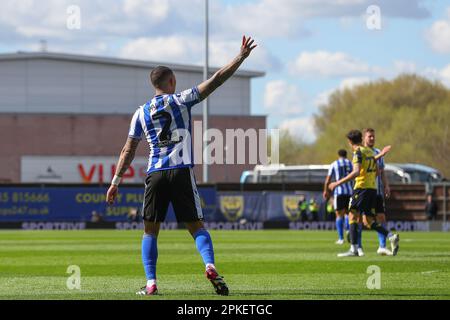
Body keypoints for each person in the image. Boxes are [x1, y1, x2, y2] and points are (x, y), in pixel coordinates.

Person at [106, 36, 257, 296]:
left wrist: (115, 182)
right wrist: (240, 57)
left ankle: (151, 283)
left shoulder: (140, 112)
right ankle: (209, 265)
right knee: (196, 226)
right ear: (172, 82)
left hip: (155, 174)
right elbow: (217, 78)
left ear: (153, 85)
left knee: (150, 232)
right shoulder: (182, 99)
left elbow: (127, 149)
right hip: (181, 171)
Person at [329, 130, 399, 257]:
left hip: (361, 188)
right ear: (361, 139)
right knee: (368, 221)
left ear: (350, 142)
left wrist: (337, 183)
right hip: (372, 189)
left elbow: (356, 172)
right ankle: (391, 236)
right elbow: (377, 169)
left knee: (352, 216)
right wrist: (381, 154)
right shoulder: (370, 151)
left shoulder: (358, 152)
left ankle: (353, 249)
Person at [363, 128, 393, 256]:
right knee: (363, 220)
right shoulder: (361, 152)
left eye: (373, 136)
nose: (372, 139)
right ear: (364, 137)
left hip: (378, 191)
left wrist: (386, 185)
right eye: (369, 136)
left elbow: (382, 171)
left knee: (381, 217)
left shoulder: (377, 152)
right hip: (364, 191)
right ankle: (356, 247)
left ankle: (382, 246)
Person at [323, 149, 353, 245]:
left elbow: (328, 180)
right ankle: (348, 230)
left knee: (339, 215)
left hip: (339, 192)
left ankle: (341, 238)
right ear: (346, 155)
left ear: (338, 155)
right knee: (348, 214)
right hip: (350, 192)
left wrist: (326, 191)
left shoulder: (334, 164)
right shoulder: (351, 163)